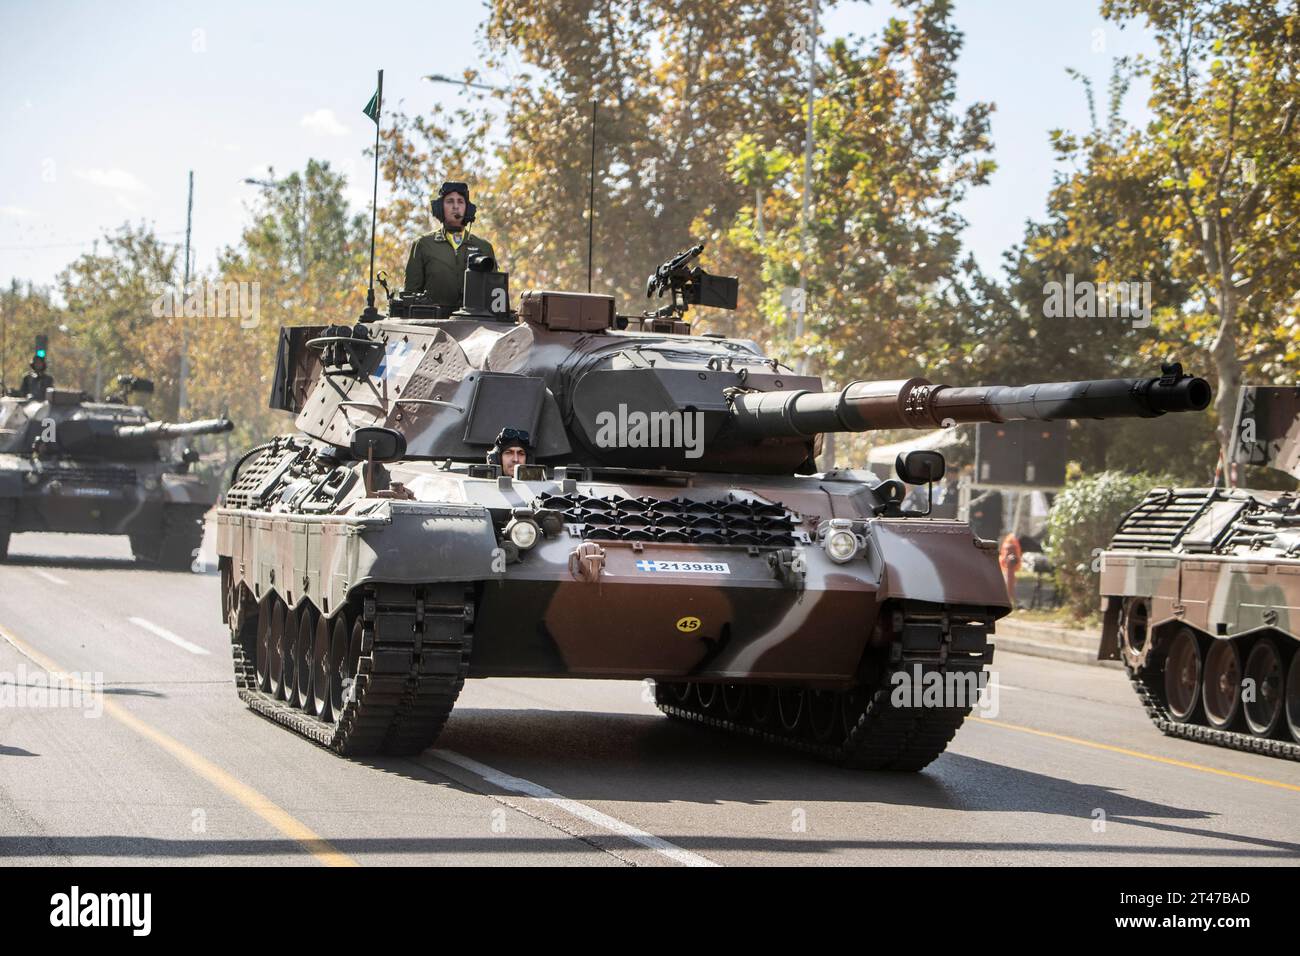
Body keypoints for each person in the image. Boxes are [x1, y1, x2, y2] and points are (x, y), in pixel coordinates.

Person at [402, 181, 496, 312]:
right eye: (450, 201)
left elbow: (495, 293)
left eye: (460, 202)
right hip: (433, 323)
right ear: (440, 208)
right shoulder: (423, 245)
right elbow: (410, 295)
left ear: (468, 209)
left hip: (475, 323)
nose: (455, 206)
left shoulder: (484, 247)